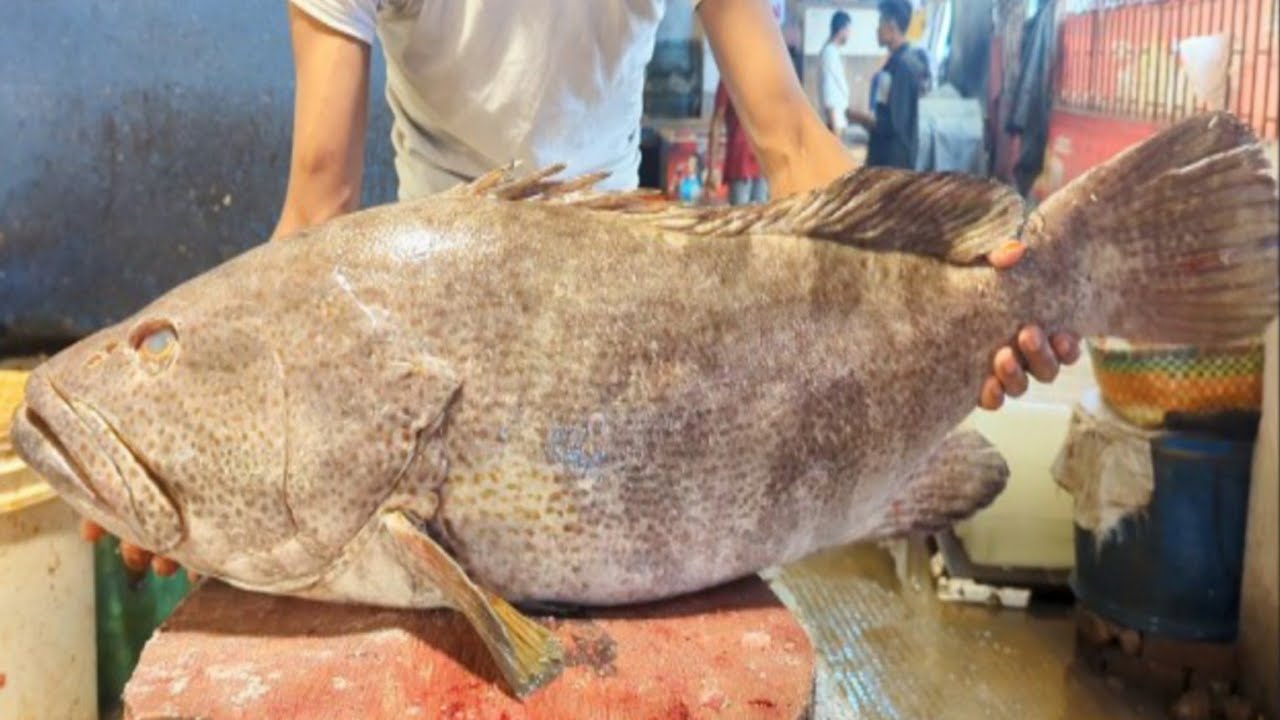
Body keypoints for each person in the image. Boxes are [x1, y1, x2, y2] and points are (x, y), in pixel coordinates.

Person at [89, 0, 1081, 575]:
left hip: (625, 281)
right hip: (424, 292)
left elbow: (787, 139)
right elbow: (318, 202)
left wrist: (979, 288)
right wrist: (200, 464)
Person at [848, 0, 932, 169]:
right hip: (887, 159)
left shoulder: (902, 67)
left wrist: (859, 117)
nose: (877, 29)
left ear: (892, 26)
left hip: (892, 162)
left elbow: (893, 125)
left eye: (880, 23)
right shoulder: (894, 64)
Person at [707, 79, 768, 205]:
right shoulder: (729, 77)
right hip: (741, 160)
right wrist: (712, 167)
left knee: (761, 213)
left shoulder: (765, 76)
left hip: (762, 158)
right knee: (743, 212)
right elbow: (717, 120)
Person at [819, 10, 853, 135]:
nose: (850, 34)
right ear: (841, 30)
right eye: (848, 30)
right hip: (834, 122)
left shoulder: (833, 51)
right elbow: (829, 91)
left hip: (838, 120)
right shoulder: (830, 53)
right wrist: (834, 127)